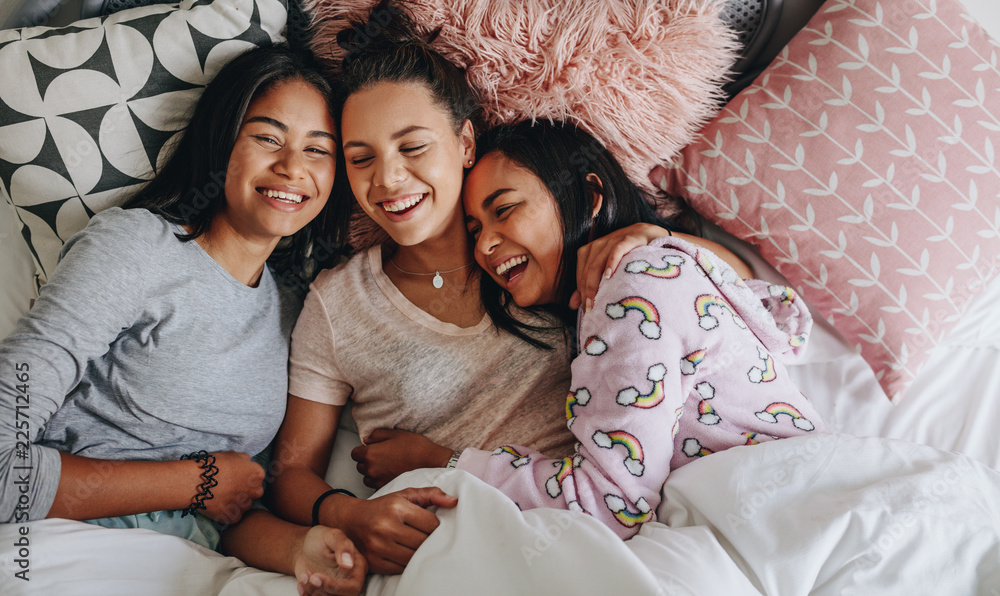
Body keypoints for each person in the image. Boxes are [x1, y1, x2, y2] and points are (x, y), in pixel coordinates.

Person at [0, 45, 366, 594]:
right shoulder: (134, 248)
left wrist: (300, 549)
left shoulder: (292, 308)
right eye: (267, 137)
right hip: (61, 546)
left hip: (196, 565)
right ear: (222, 143)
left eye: (319, 149)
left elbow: (233, 506)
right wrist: (194, 481)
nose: (293, 167)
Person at [375, 120, 826, 540]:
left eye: (505, 210)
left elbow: (611, 505)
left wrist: (442, 462)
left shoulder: (633, 287)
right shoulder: (656, 270)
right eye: (474, 230)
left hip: (784, 515)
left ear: (590, 195)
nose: (485, 245)